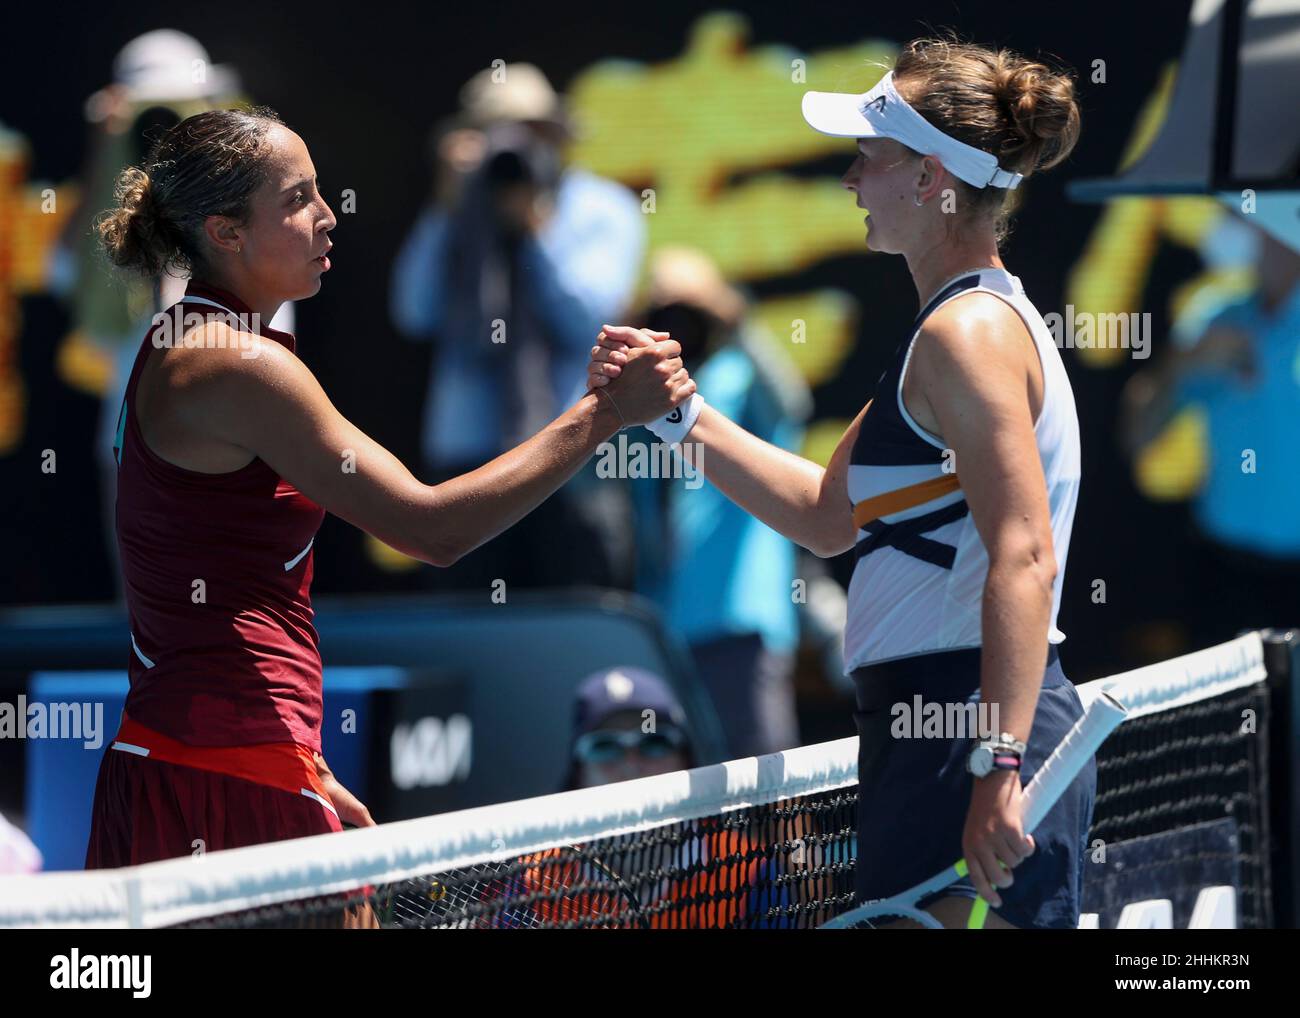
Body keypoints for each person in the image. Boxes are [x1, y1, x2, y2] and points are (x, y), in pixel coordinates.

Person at [84, 106, 692, 870]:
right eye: (297, 199)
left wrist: (302, 757)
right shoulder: (238, 365)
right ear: (226, 231)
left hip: (192, 759)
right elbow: (431, 529)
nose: (328, 216)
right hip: (230, 773)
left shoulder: (180, 346)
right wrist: (606, 414)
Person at [589, 37, 1093, 929]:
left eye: (873, 156)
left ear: (934, 179)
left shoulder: (964, 335)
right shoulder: (956, 328)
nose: (854, 178)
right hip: (937, 741)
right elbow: (827, 517)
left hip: (969, 739)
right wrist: (672, 414)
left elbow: (1024, 555)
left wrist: (998, 765)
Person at [390, 63, 646, 590]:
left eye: (525, 133)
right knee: (473, 629)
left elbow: (590, 321)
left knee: (577, 613)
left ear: (555, 137)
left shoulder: (603, 207)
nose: (511, 148)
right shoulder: (459, 212)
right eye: (495, 134)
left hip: (573, 453)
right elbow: (413, 312)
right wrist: (446, 205)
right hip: (467, 457)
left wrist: (536, 228)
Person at [628, 248, 810, 757]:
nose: (679, 321)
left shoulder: (741, 373)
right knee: (686, 812)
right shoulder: (647, 394)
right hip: (663, 629)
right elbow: (582, 466)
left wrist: (729, 310)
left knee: (764, 808)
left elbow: (793, 404)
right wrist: (629, 333)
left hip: (739, 619)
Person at [1121, 214, 1300, 646]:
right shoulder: (1215, 316)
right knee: (1221, 709)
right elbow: (1136, 435)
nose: (1269, 235)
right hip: (1223, 573)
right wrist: (1180, 364)